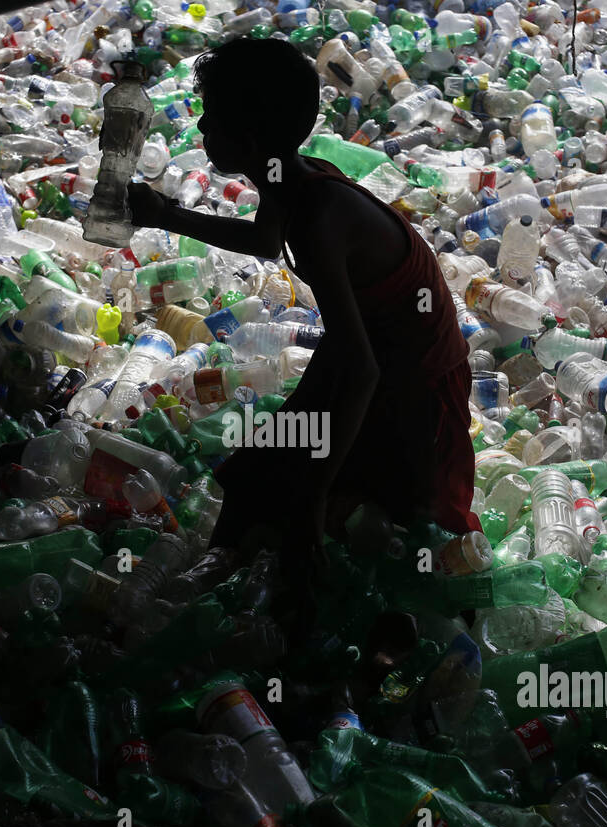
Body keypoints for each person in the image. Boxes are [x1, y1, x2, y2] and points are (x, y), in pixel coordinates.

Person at [128, 38, 479, 617]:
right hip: (364, 347)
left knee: (347, 507)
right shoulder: (286, 176)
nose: (201, 125)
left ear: (246, 139)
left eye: (212, 116)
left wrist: (316, 493)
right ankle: (213, 594)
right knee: (257, 472)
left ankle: (288, 617)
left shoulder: (317, 216)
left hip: (408, 375)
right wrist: (168, 215)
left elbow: (364, 371)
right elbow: (266, 242)